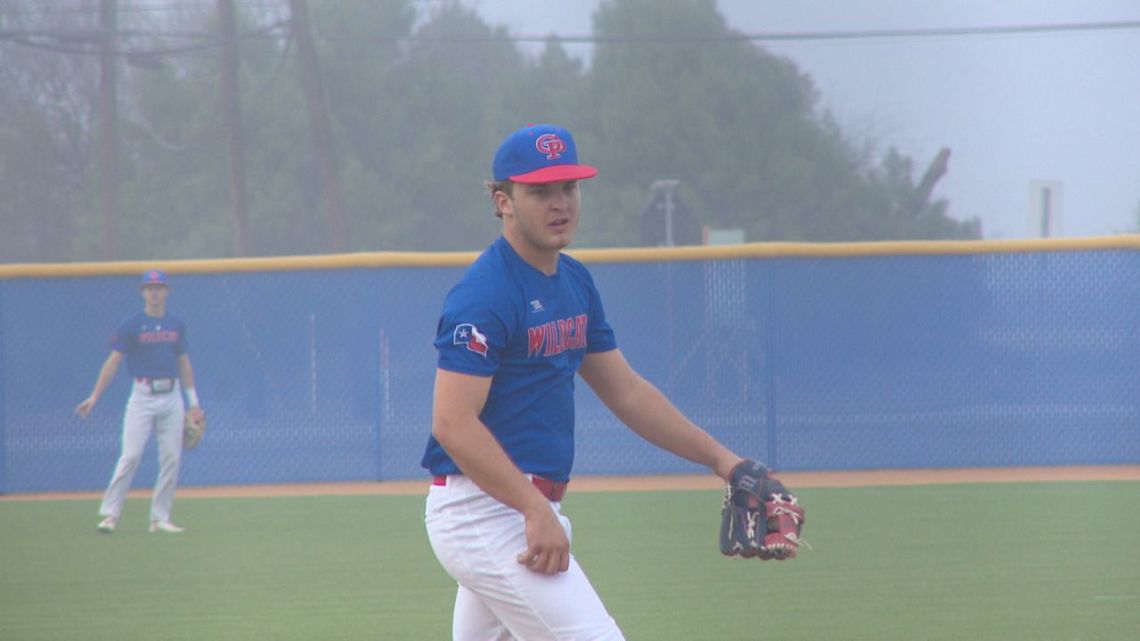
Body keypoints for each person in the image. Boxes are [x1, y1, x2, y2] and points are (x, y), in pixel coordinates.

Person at [421, 124, 783, 640]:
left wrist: (724, 461)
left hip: (520, 508)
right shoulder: (486, 293)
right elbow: (453, 423)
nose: (560, 202)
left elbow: (627, 392)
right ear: (503, 200)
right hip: (483, 511)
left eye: (569, 187)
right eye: (540, 190)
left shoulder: (574, 281)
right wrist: (532, 509)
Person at [76, 269, 203, 534]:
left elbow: (184, 362)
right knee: (131, 456)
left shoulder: (176, 325)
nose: (154, 292)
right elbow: (113, 361)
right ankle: (110, 515)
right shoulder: (131, 325)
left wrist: (193, 402)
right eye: (150, 288)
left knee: (171, 457)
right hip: (142, 396)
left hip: (171, 397)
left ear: (167, 291)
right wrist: (95, 396)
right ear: (142, 292)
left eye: (159, 287)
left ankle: (159, 518)